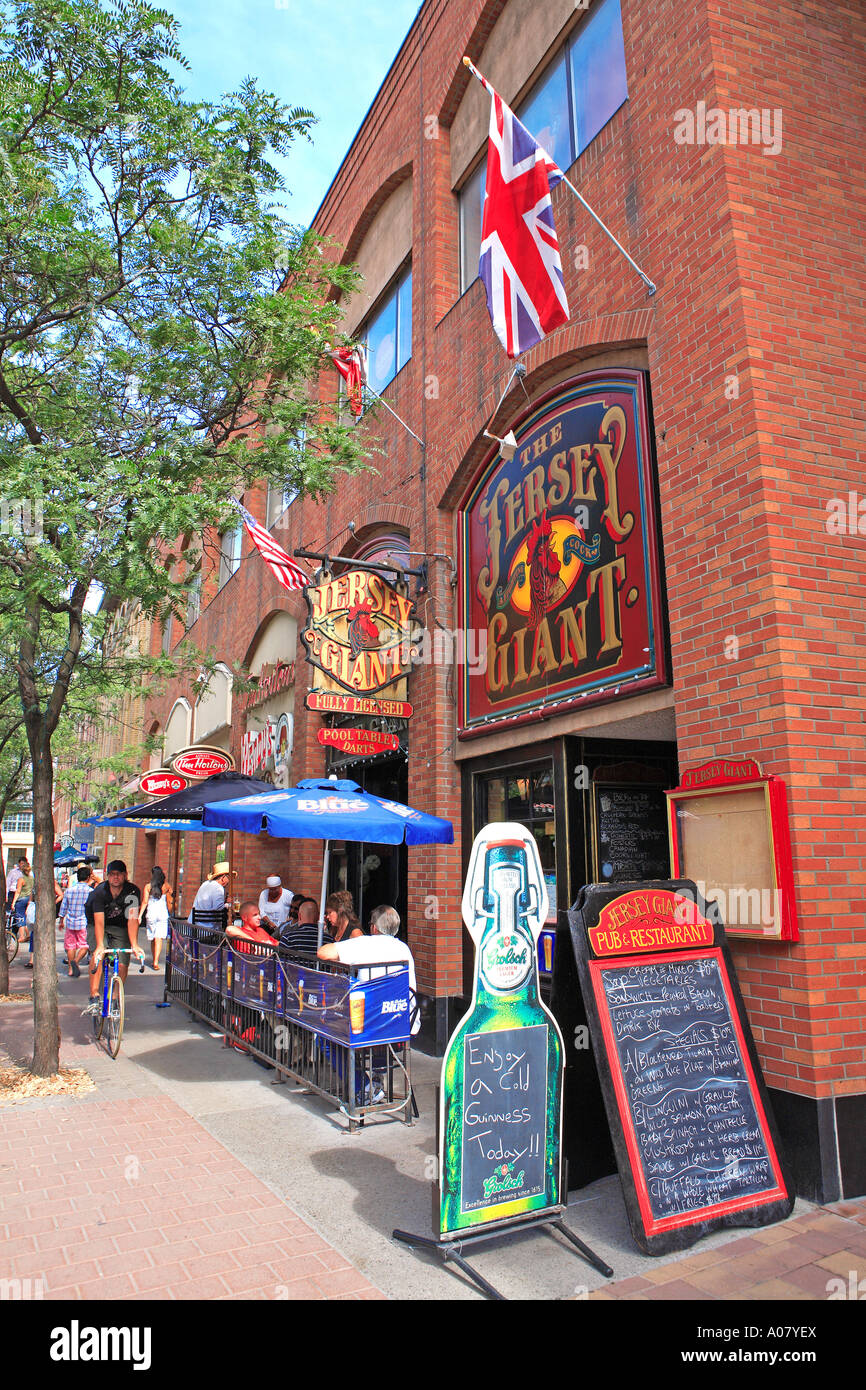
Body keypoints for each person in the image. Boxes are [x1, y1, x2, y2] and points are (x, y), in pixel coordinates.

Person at [317, 905, 420, 1035]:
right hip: (404, 1021)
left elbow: (323, 953)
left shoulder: (364, 943)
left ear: (374, 927)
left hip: (370, 1023)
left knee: (327, 1030)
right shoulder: (404, 948)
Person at [83, 860, 144, 1014]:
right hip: (97, 923)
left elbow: (132, 918)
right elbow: (99, 921)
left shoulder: (133, 892)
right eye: (112, 874)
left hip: (120, 926)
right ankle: (94, 996)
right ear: (107, 876)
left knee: (123, 961)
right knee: (98, 955)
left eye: (119, 874)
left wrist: (134, 944)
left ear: (125, 875)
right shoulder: (99, 892)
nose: (115, 877)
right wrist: (99, 946)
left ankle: (115, 998)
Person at [59, 865, 93, 978]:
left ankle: (70, 969)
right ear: (88, 877)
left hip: (71, 922)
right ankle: (76, 961)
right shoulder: (90, 891)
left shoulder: (69, 890)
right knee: (85, 945)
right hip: (84, 922)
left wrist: (61, 920)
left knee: (70, 946)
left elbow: (63, 906)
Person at [140, 866, 173, 971]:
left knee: (153, 938)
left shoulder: (148, 887)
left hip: (151, 913)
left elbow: (145, 902)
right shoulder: (166, 886)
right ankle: (156, 961)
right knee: (159, 938)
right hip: (163, 913)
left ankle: (154, 958)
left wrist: (140, 915)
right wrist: (171, 912)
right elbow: (170, 901)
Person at [10, 859, 34, 944]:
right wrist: (30, 900)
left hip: (21, 899)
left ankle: (22, 936)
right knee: (24, 917)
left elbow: (18, 891)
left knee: (19, 918)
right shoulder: (31, 879)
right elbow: (31, 890)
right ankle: (27, 934)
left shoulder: (21, 879)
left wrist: (13, 902)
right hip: (28, 898)